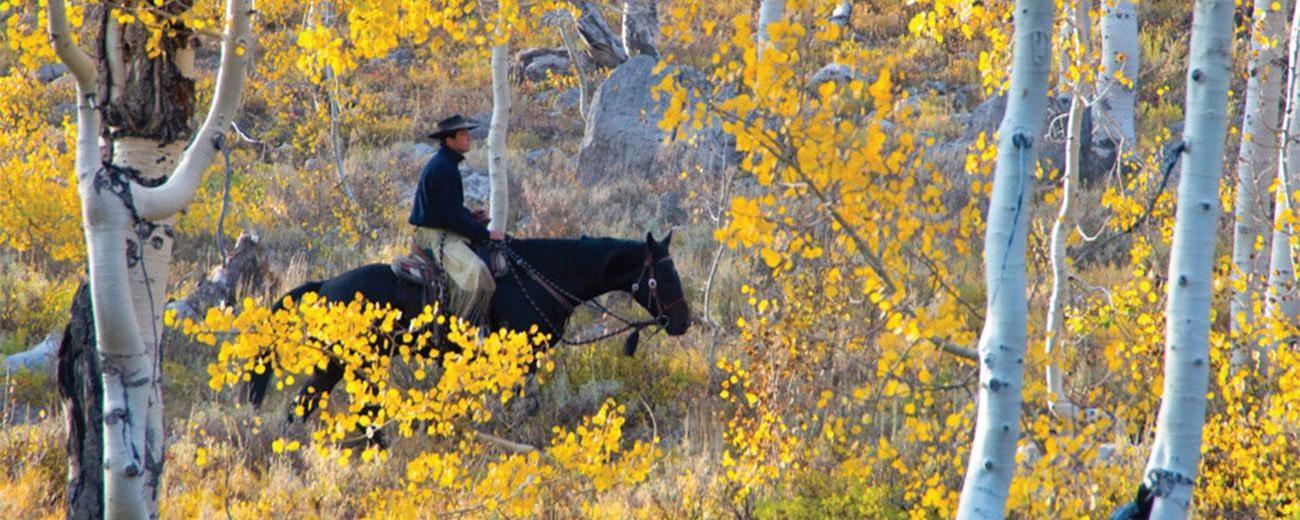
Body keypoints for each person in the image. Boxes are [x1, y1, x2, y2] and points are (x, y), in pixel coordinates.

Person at [409, 114, 503, 327]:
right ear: (448, 140)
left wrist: (469, 216)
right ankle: (461, 328)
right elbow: (450, 218)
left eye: (467, 134)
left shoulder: (445, 164)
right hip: (433, 236)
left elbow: (448, 210)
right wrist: (487, 234)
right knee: (478, 274)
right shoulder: (444, 169)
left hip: (440, 227)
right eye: (462, 135)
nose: (468, 138)